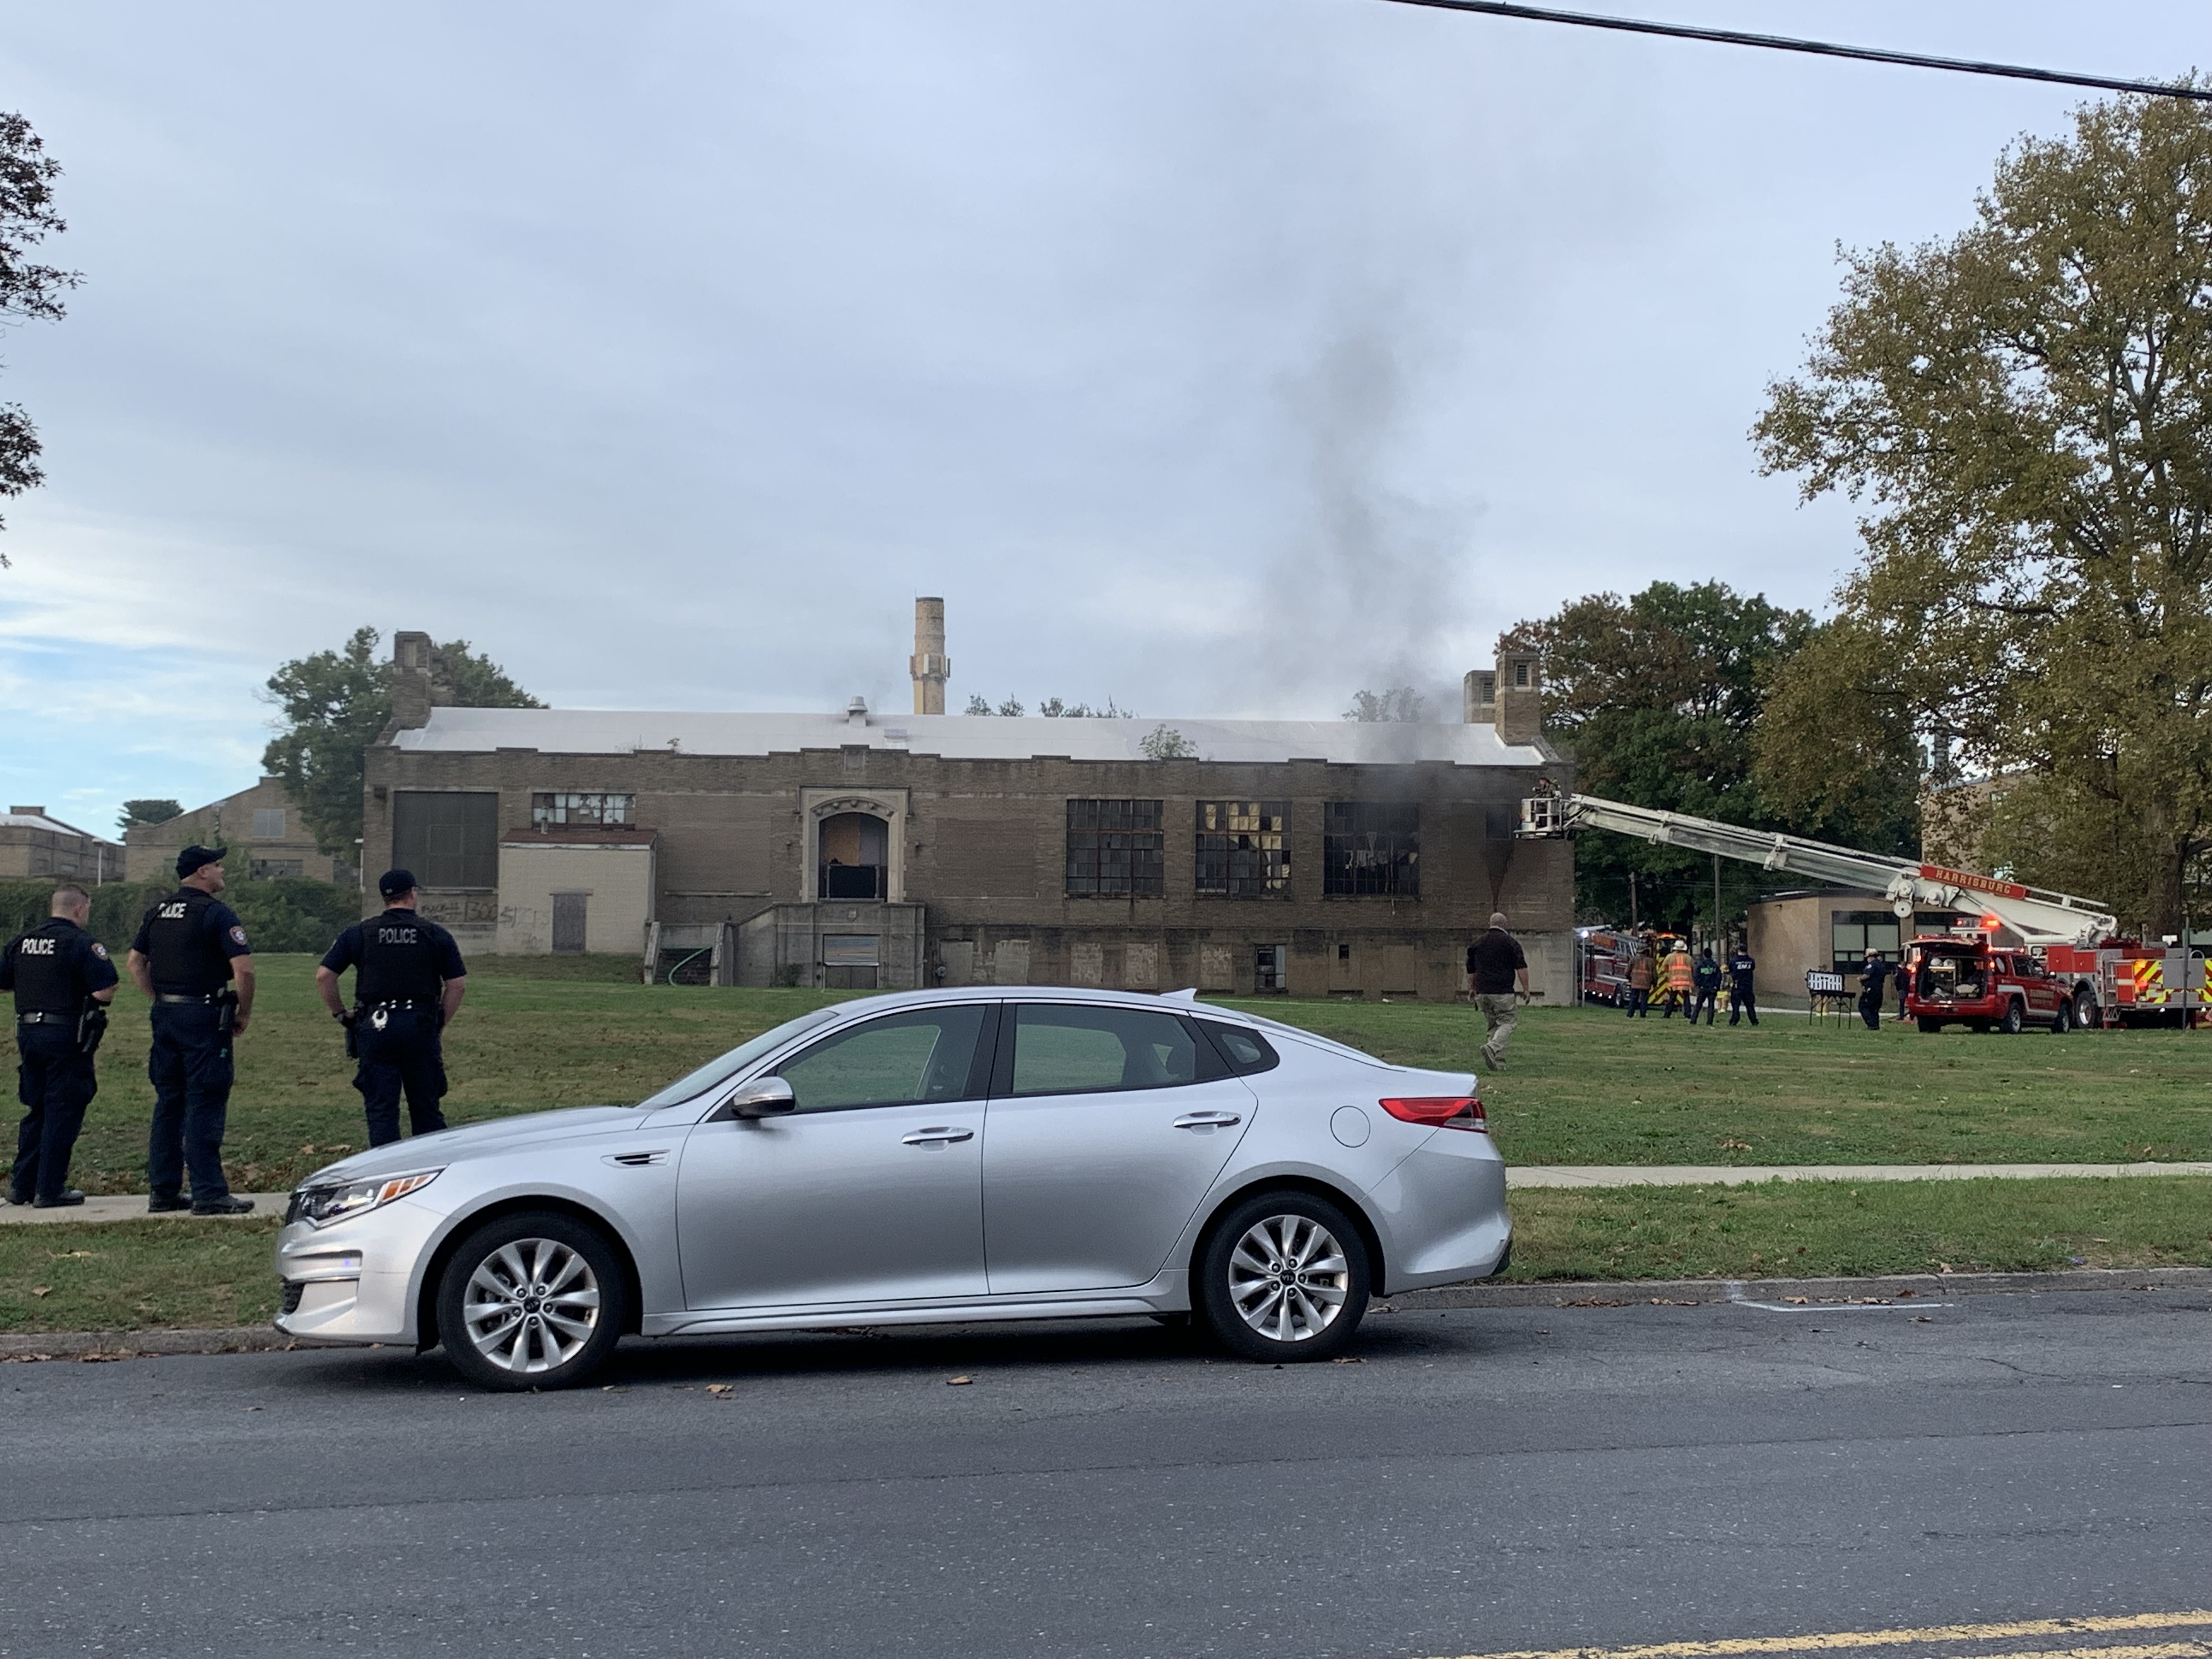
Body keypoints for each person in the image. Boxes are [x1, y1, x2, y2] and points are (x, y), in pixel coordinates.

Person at [126, 846, 255, 1215]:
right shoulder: (215, 912)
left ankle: (164, 1191)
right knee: (205, 1099)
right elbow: (244, 971)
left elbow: (135, 963)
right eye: (217, 865)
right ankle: (209, 1193)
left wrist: (159, 997)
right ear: (202, 873)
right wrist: (243, 1013)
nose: (222, 869)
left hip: (166, 1015)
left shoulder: (158, 912)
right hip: (204, 1017)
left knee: (169, 1102)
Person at [316, 869, 468, 1147]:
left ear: (385, 898)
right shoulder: (434, 934)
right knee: (426, 1109)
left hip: (375, 1025)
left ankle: (386, 1177)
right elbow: (456, 985)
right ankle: (430, 1174)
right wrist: (439, 1023)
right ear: (412, 894)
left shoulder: (360, 933)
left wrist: (341, 1014)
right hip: (420, 1025)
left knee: (381, 1112)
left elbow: (325, 976)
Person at [1, 884, 119, 1206]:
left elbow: (3, 982)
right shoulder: (81, 943)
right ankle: (50, 1188)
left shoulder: (22, 941)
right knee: (63, 1110)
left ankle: (21, 1185)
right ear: (80, 909)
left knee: (36, 1109)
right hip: (65, 1035)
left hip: (28, 1033)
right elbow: (106, 989)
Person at [1465, 911, 1530, 1071]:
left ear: (1490, 924)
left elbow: (1471, 970)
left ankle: (1498, 1063)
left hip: (1482, 992)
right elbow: (1521, 967)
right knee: (1508, 1022)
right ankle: (1492, 1048)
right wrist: (1526, 989)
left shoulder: (1477, 944)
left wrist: (1472, 989)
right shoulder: (1510, 943)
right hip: (1502, 992)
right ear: (1505, 925)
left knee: (1493, 1026)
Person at [1858, 952, 1895, 1031]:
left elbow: (1867, 975)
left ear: (1871, 957)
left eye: (1867, 958)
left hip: (1871, 989)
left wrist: (1860, 978)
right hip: (1879, 989)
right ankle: (1876, 1025)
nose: (1867, 960)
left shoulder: (1872, 965)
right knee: (1875, 1009)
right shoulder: (1881, 965)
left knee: (1863, 1006)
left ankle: (1871, 1025)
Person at [1726, 941, 1759, 1026]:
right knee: (1750, 1005)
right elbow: (1753, 968)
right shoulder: (1751, 961)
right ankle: (1754, 1021)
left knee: (1736, 1005)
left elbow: (1730, 970)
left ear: (1738, 950)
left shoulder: (1734, 961)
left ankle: (1735, 1019)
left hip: (1737, 986)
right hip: (1748, 987)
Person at [1689, 947, 1722, 1026]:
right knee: (1711, 1005)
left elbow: (1697, 976)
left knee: (1698, 1005)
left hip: (1703, 988)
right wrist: (1716, 986)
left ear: (1704, 955)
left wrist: (1699, 985)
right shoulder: (1715, 966)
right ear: (1711, 955)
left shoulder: (1700, 966)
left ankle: (1693, 1020)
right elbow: (1719, 977)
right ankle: (1710, 1022)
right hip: (1712, 988)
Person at [1659, 941, 1694, 1018]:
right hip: (1686, 981)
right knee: (1686, 997)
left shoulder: (1670, 957)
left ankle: (1667, 1014)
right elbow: (1693, 969)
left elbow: (1663, 968)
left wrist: (1666, 974)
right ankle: (1688, 1014)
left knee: (1672, 997)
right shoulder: (1689, 958)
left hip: (1674, 981)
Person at [1623, 946, 1653, 1018]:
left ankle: (1630, 1014)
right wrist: (1654, 982)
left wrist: (1630, 978)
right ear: (1646, 952)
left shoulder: (1633, 959)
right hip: (1646, 983)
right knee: (1644, 1000)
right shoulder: (1651, 961)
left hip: (1635, 983)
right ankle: (1643, 1015)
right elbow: (1654, 974)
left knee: (1633, 998)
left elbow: (1627, 972)